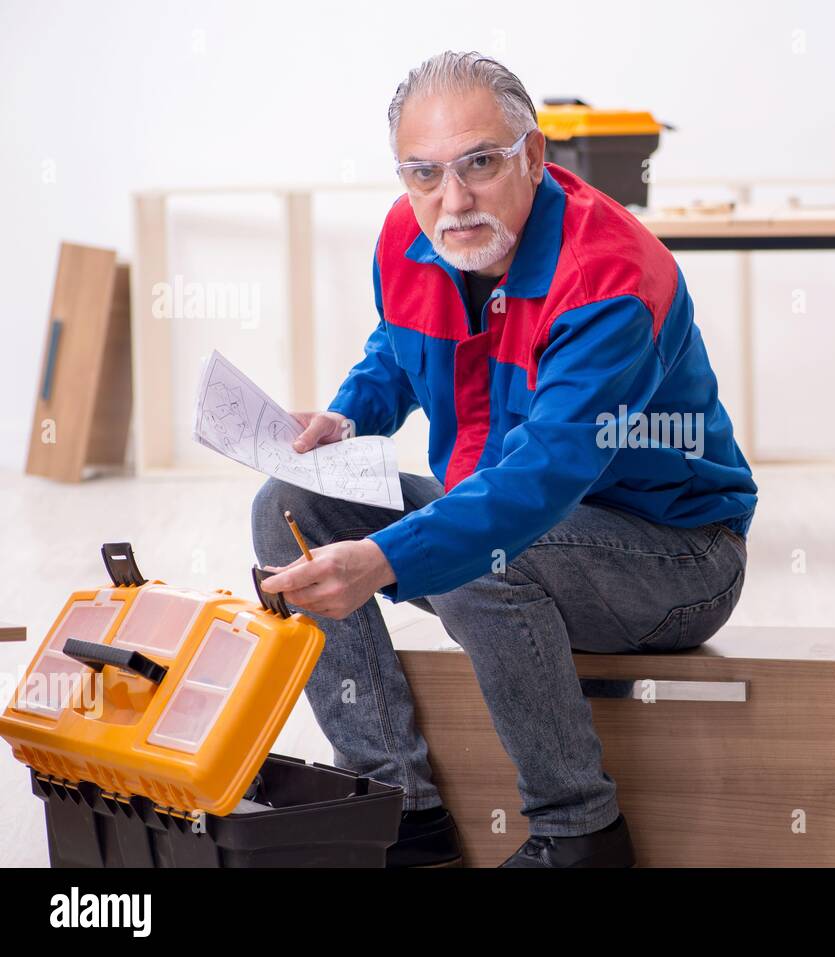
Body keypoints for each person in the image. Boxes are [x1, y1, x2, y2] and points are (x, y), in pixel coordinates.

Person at [251, 51, 757, 868]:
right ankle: (399, 814)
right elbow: (397, 345)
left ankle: (578, 832)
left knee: (481, 555)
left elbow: (537, 482)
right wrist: (349, 416)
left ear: (533, 156)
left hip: (676, 558)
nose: (452, 200)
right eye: (423, 173)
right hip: (508, 517)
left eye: (479, 163)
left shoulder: (611, 279)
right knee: (290, 506)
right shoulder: (410, 234)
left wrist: (383, 558)